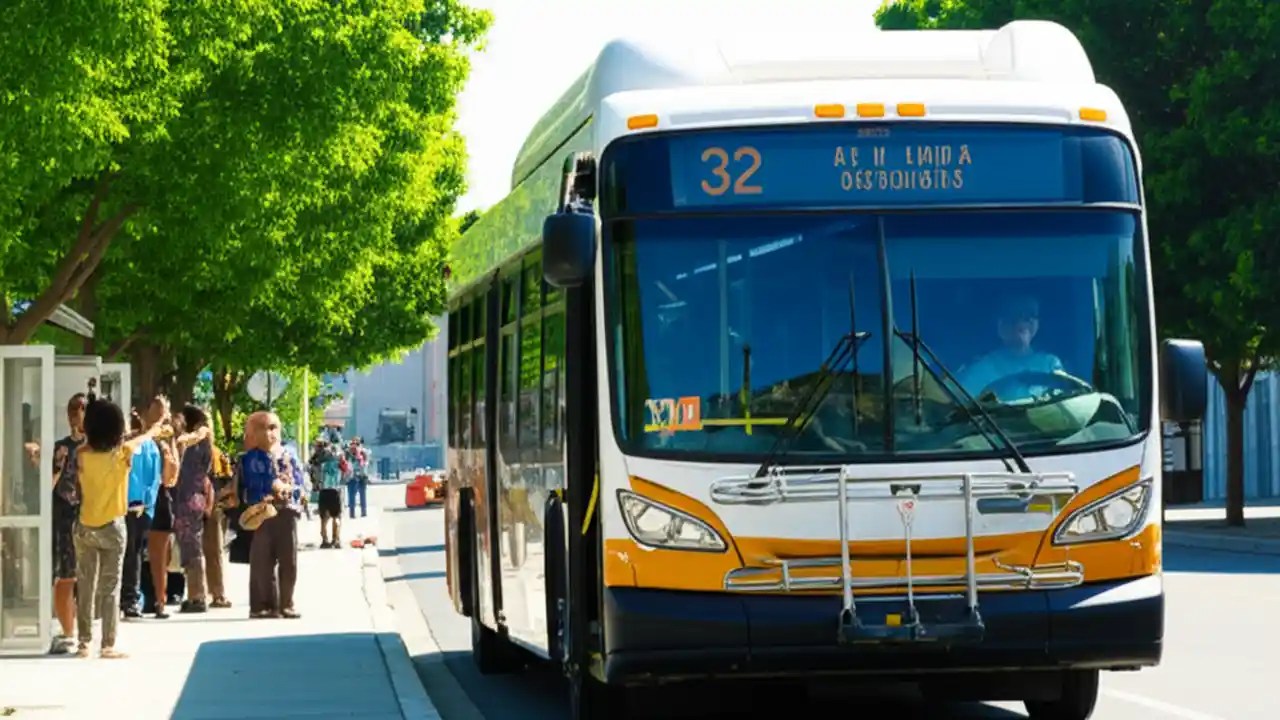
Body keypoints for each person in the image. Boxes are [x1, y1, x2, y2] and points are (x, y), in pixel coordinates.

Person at [74, 398, 166, 658]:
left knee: (85, 583)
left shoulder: (81, 455)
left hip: (84, 524)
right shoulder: (123, 453)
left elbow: (87, 444)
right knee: (110, 586)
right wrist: (155, 425)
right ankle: (107, 644)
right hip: (113, 526)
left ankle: (83, 642)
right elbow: (146, 436)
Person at [237, 411, 304, 619]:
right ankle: (262, 605)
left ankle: (287, 603)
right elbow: (250, 482)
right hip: (262, 513)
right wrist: (271, 486)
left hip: (288, 511)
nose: (270, 433)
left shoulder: (290, 454)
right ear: (252, 434)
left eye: (274, 427)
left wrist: (298, 492)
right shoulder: (249, 458)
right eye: (263, 428)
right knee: (262, 561)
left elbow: (302, 478)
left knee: (289, 560)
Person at [957, 295, 1065, 399]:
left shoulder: (1050, 363)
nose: (1024, 323)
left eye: (1031, 316)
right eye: (1016, 317)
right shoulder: (981, 369)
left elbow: (1066, 400)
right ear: (1001, 326)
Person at [49, 394, 87, 654]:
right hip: (64, 516)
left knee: (87, 577)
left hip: (89, 515)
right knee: (66, 575)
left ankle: (84, 631)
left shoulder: (97, 446)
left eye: (83, 409)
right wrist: (56, 467)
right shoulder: (61, 447)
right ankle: (67, 631)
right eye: (75, 409)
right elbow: (48, 487)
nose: (78, 414)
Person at [121, 409, 163, 620]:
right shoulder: (149, 447)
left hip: (134, 507)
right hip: (141, 508)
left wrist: (143, 502)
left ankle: (130, 599)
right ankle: (130, 599)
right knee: (133, 554)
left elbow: (153, 478)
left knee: (132, 554)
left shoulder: (141, 448)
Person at [173, 405, 215, 613]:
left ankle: (198, 595)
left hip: (189, 497)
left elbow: (198, 434)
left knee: (192, 548)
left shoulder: (200, 436)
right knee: (190, 546)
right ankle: (194, 593)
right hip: (190, 496)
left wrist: (183, 440)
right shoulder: (202, 440)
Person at [204, 443, 235, 608]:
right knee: (213, 551)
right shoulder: (215, 452)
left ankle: (215, 593)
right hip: (211, 505)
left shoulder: (216, 453)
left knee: (213, 551)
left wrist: (218, 497)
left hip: (211, 507)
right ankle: (214, 593)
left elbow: (227, 481)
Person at [313, 441, 343, 548]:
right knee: (337, 516)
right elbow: (347, 471)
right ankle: (336, 540)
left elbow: (313, 473)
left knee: (324, 518)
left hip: (324, 490)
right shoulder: (339, 459)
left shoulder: (318, 460)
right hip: (335, 490)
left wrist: (316, 484)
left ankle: (325, 540)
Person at [345, 438, 369, 519]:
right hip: (353, 476)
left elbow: (365, 463)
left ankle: (362, 511)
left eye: (357, 444)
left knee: (361, 495)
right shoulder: (348, 453)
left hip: (360, 476)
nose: (355, 446)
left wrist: (358, 455)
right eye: (353, 444)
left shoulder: (363, 452)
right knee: (353, 495)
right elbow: (346, 463)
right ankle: (354, 513)